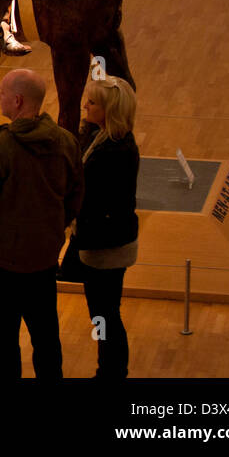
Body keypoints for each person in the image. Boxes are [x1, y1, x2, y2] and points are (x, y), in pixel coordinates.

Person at [0, 68, 83, 379]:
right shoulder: (66, 142)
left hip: (1, 267)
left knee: (2, 353)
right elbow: (75, 196)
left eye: (2, 92)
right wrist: (55, 230)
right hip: (43, 265)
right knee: (47, 346)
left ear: (17, 101)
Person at [74, 75, 140, 379]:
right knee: (104, 312)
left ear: (109, 110)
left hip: (106, 245)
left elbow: (95, 199)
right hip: (103, 239)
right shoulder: (104, 137)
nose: (85, 105)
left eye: (92, 102)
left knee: (105, 315)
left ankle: (111, 373)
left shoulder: (115, 150)